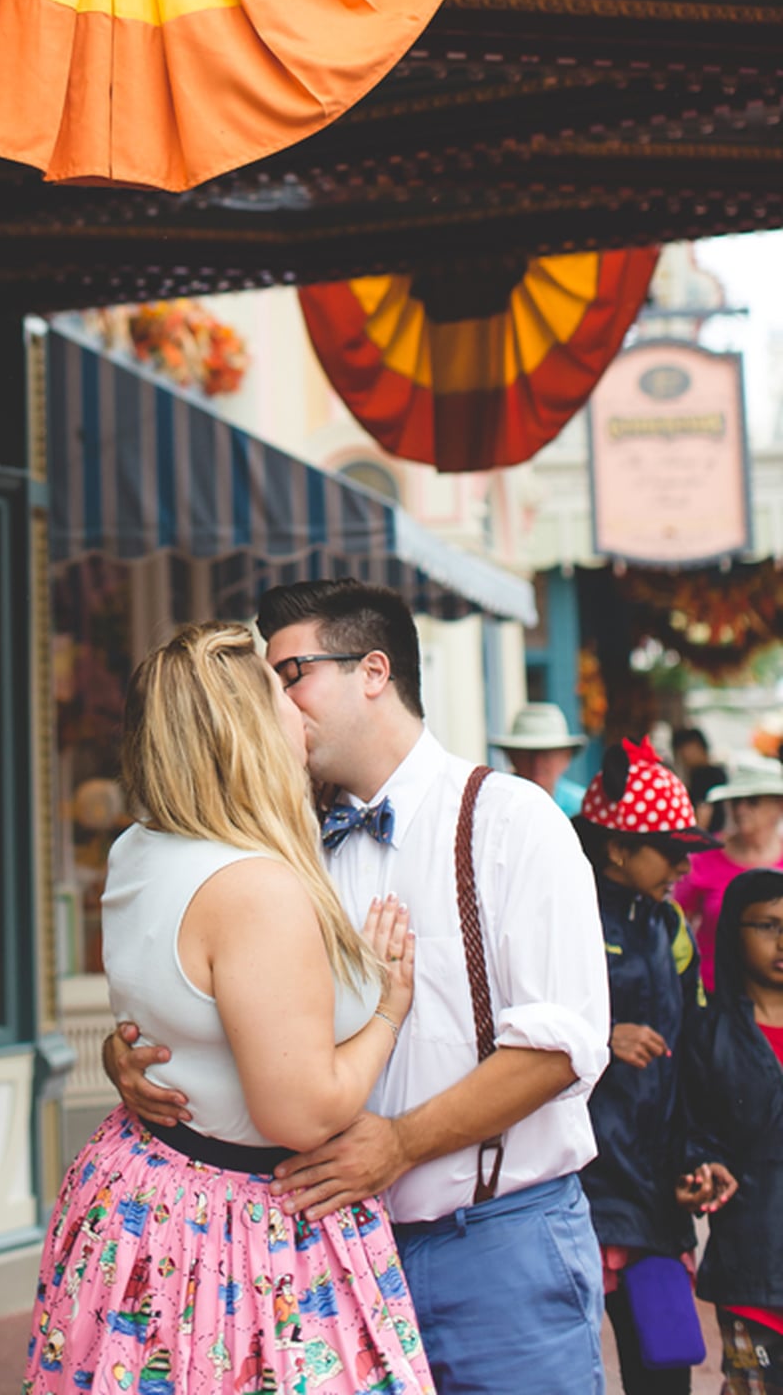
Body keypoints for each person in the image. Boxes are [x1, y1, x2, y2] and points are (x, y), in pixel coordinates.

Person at [105, 579, 610, 1395]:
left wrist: (401, 1145)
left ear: (374, 670)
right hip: (325, 1254)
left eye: (291, 670)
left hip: (492, 1246)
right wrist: (135, 1052)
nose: (275, 700)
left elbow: (561, 1049)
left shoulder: (511, 821)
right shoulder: (269, 838)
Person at [24, 621, 433, 1395]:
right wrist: (387, 1007)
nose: (295, 701)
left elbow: (176, 1001)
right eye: (278, 686)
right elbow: (302, 1115)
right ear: (244, 724)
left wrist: (125, 1051)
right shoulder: (255, 889)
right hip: (242, 1232)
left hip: (145, 1186)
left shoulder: (138, 846)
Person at [575, 739, 736, 1395]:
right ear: (616, 847)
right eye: (668, 848)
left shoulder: (669, 923)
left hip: (656, 1191)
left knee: (667, 1363)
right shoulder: (564, 911)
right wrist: (598, 1036)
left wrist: (697, 1152)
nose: (681, 864)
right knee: (569, 1368)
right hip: (578, 1189)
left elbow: (693, 1046)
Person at [681, 868, 783, 1395]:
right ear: (731, 932)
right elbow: (689, 1129)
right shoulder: (708, 1033)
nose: (782, 941)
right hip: (755, 1266)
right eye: (767, 925)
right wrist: (701, 1165)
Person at [674, 757, 783, 991]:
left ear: (779, 806)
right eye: (735, 801)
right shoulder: (702, 858)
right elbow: (675, 923)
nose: (741, 809)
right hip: (714, 999)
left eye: (752, 801)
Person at [500, 698, 586, 802]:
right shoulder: (495, 804)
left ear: (566, 757)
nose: (537, 763)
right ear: (511, 756)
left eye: (547, 755)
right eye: (528, 754)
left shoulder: (583, 808)